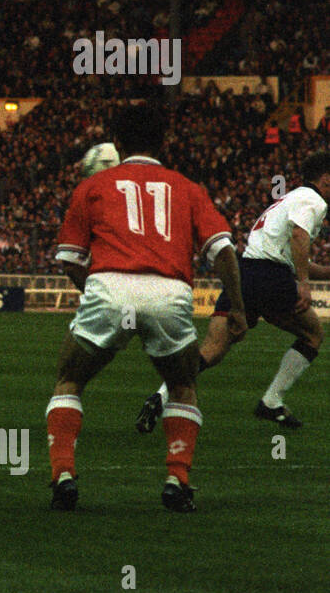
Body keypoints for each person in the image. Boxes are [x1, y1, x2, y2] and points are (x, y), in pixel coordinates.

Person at [48, 105, 245, 514]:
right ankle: (177, 480)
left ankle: (63, 475)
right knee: (183, 385)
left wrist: (97, 294)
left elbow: (69, 258)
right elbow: (223, 250)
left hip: (110, 285)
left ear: (117, 144)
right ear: (163, 143)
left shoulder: (94, 185)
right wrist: (238, 308)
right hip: (168, 291)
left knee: (70, 378)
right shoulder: (187, 187)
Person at [136, 152, 330, 434]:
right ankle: (271, 401)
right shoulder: (314, 201)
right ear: (325, 179)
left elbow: (286, 252)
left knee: (213, 349)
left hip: (245, 273)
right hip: (270, 276)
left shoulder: (288, 199)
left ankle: (160, 396)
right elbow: (299, 238)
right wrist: (303, 283)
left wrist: (322, 273)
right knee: (313, 334)